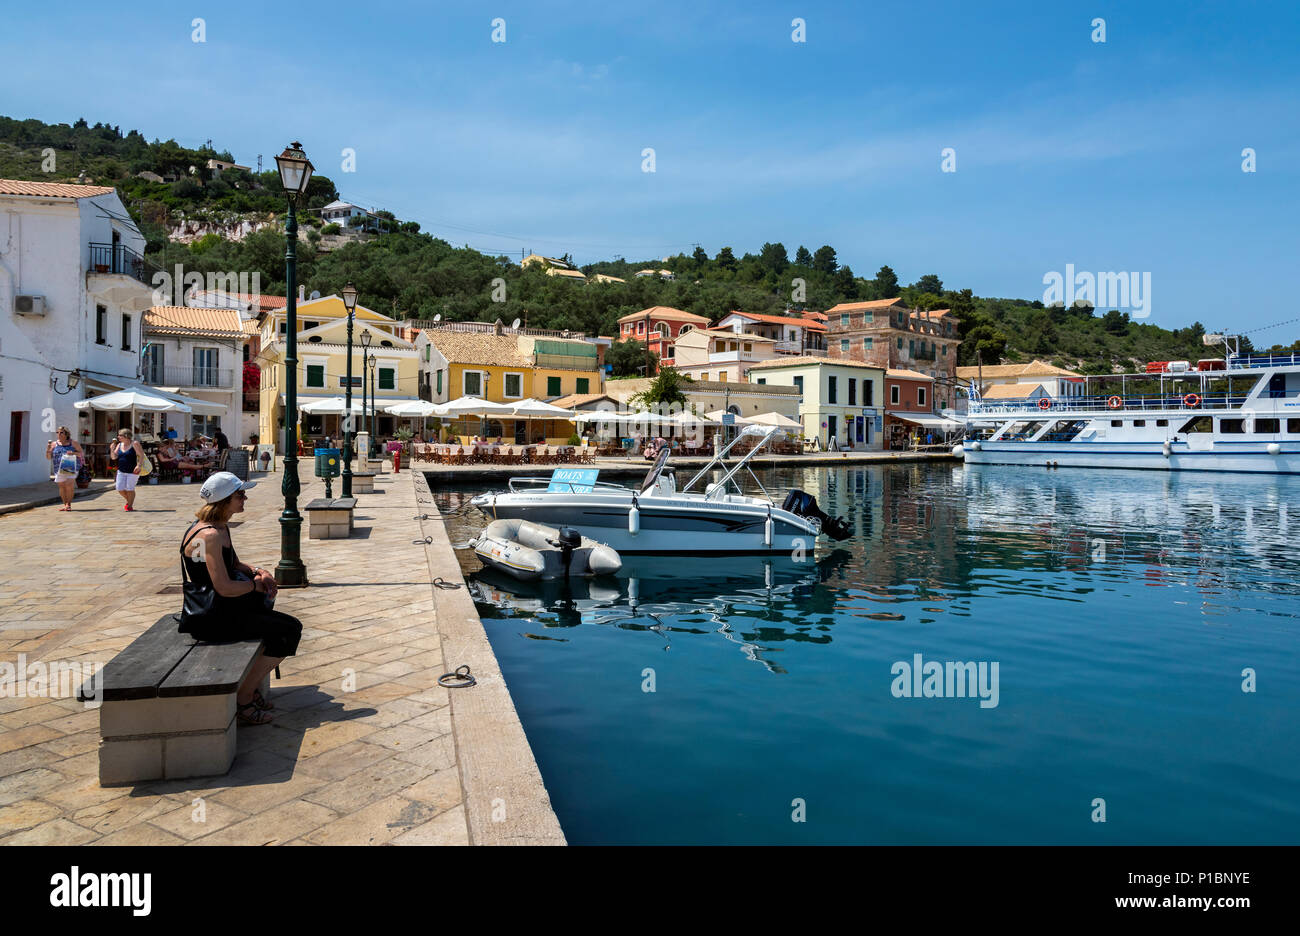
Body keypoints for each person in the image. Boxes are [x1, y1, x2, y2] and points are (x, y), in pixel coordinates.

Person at [178, 472, 301, 726]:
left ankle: (248, 688)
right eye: (240, 495)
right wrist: (254, 587)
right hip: (212, 617)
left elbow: (233, 563)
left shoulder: (220, 528)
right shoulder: (209, 536)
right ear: (224, 500)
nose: (244, 499)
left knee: (281, 628)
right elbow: (223, 587)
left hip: (226, 608)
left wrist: (259, 571)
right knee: (288, 632)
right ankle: (243, 698)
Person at [45, 427, 85, 511]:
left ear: (66, 434)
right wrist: (48, 450)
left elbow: (81, 454)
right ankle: (65, 504)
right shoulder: (54, 444)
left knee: (69, 485)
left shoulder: (73, 443)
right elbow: (48, 458)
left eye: (61, 432)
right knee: (62, 486)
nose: (59, 434)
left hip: (70, 464)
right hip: (58, 467)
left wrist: (73, 453)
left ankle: (68, 504)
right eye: (57, 432)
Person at [109, 428, 146, 511]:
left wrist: (139, 465)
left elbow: (141, 455)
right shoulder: (119, 445)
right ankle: (129, 500)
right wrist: (112, 449)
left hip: (133, 471)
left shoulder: (134, 444)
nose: (118, 437)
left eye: (120, 435)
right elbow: (114, 457)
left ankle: (130, 506)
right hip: (121, 470)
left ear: (126, 436)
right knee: (119, 488)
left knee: (130, 488)